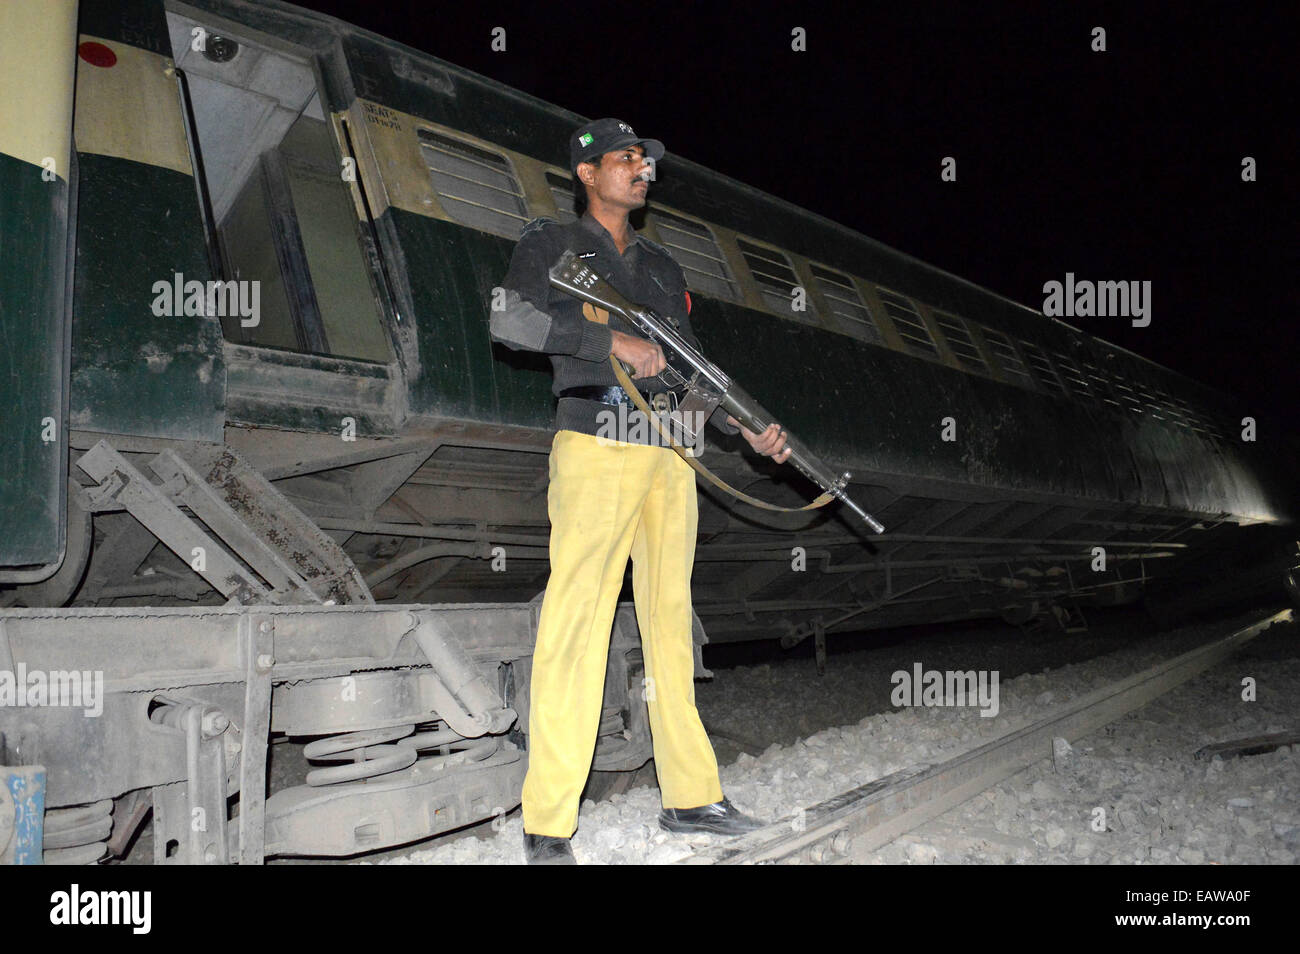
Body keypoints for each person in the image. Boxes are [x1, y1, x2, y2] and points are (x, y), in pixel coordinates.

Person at [490, 118, 790, 864]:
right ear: (587, 174)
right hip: (595, 437)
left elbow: (685, 369)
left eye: (645, 160)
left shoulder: (662, 265)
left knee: (668, 623)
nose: (640, 168)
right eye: (624, 159)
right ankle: (550, 821)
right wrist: (607, 342)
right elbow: (509, 322)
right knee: (577, 623)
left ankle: (692, 798)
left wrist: (741, 429)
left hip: (672, 450)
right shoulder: (548, 244)